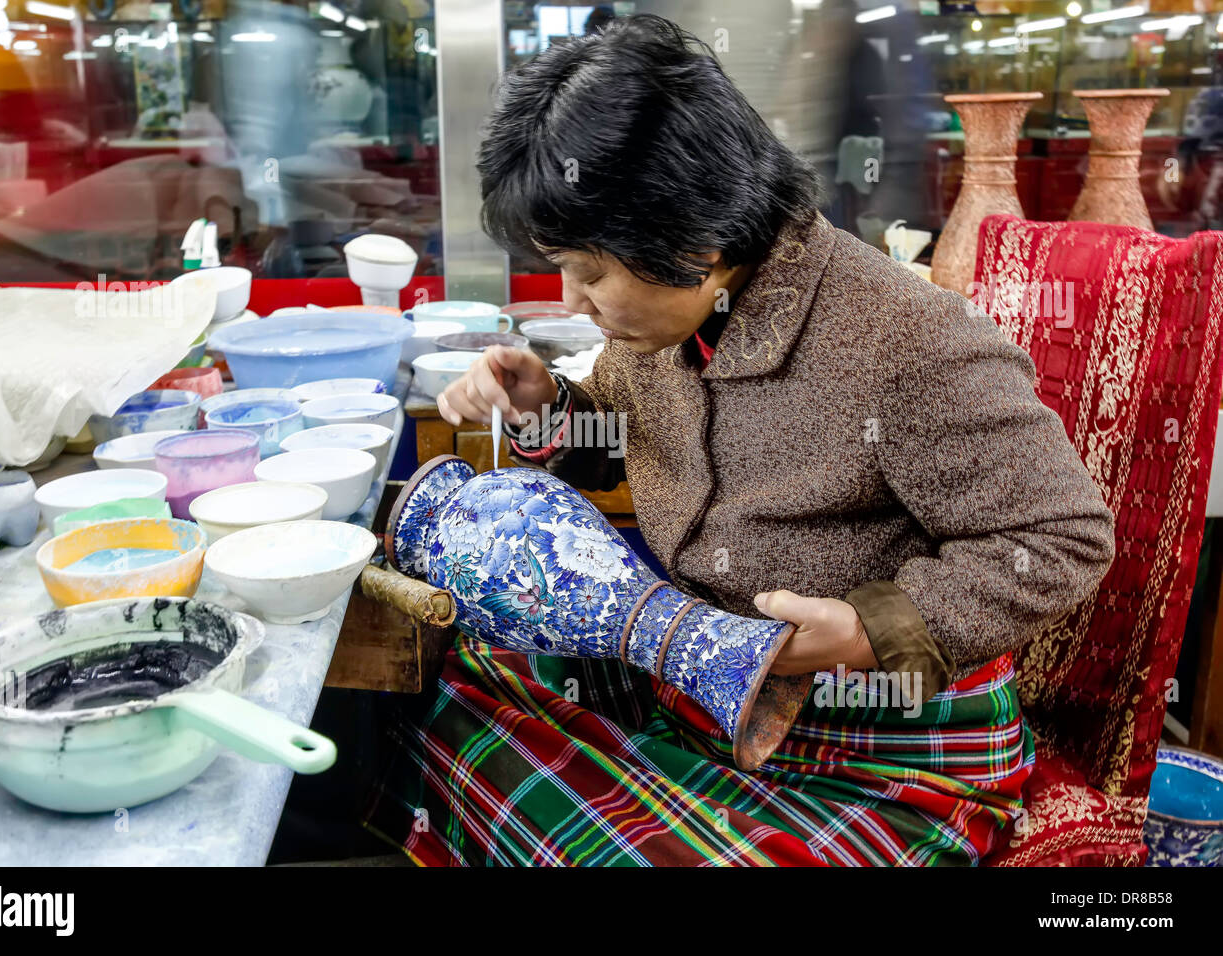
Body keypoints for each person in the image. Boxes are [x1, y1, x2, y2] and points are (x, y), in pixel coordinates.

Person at [361, 15, 1115, 866]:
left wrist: (873, 628)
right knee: (452, 685)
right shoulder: (666, 322)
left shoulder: (908, 339)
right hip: (702, 687)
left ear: (697, 238)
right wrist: (544, 408)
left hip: (880, 742)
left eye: (591, 270)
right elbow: (628, 437)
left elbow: (1062, 537)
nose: (573, 300)